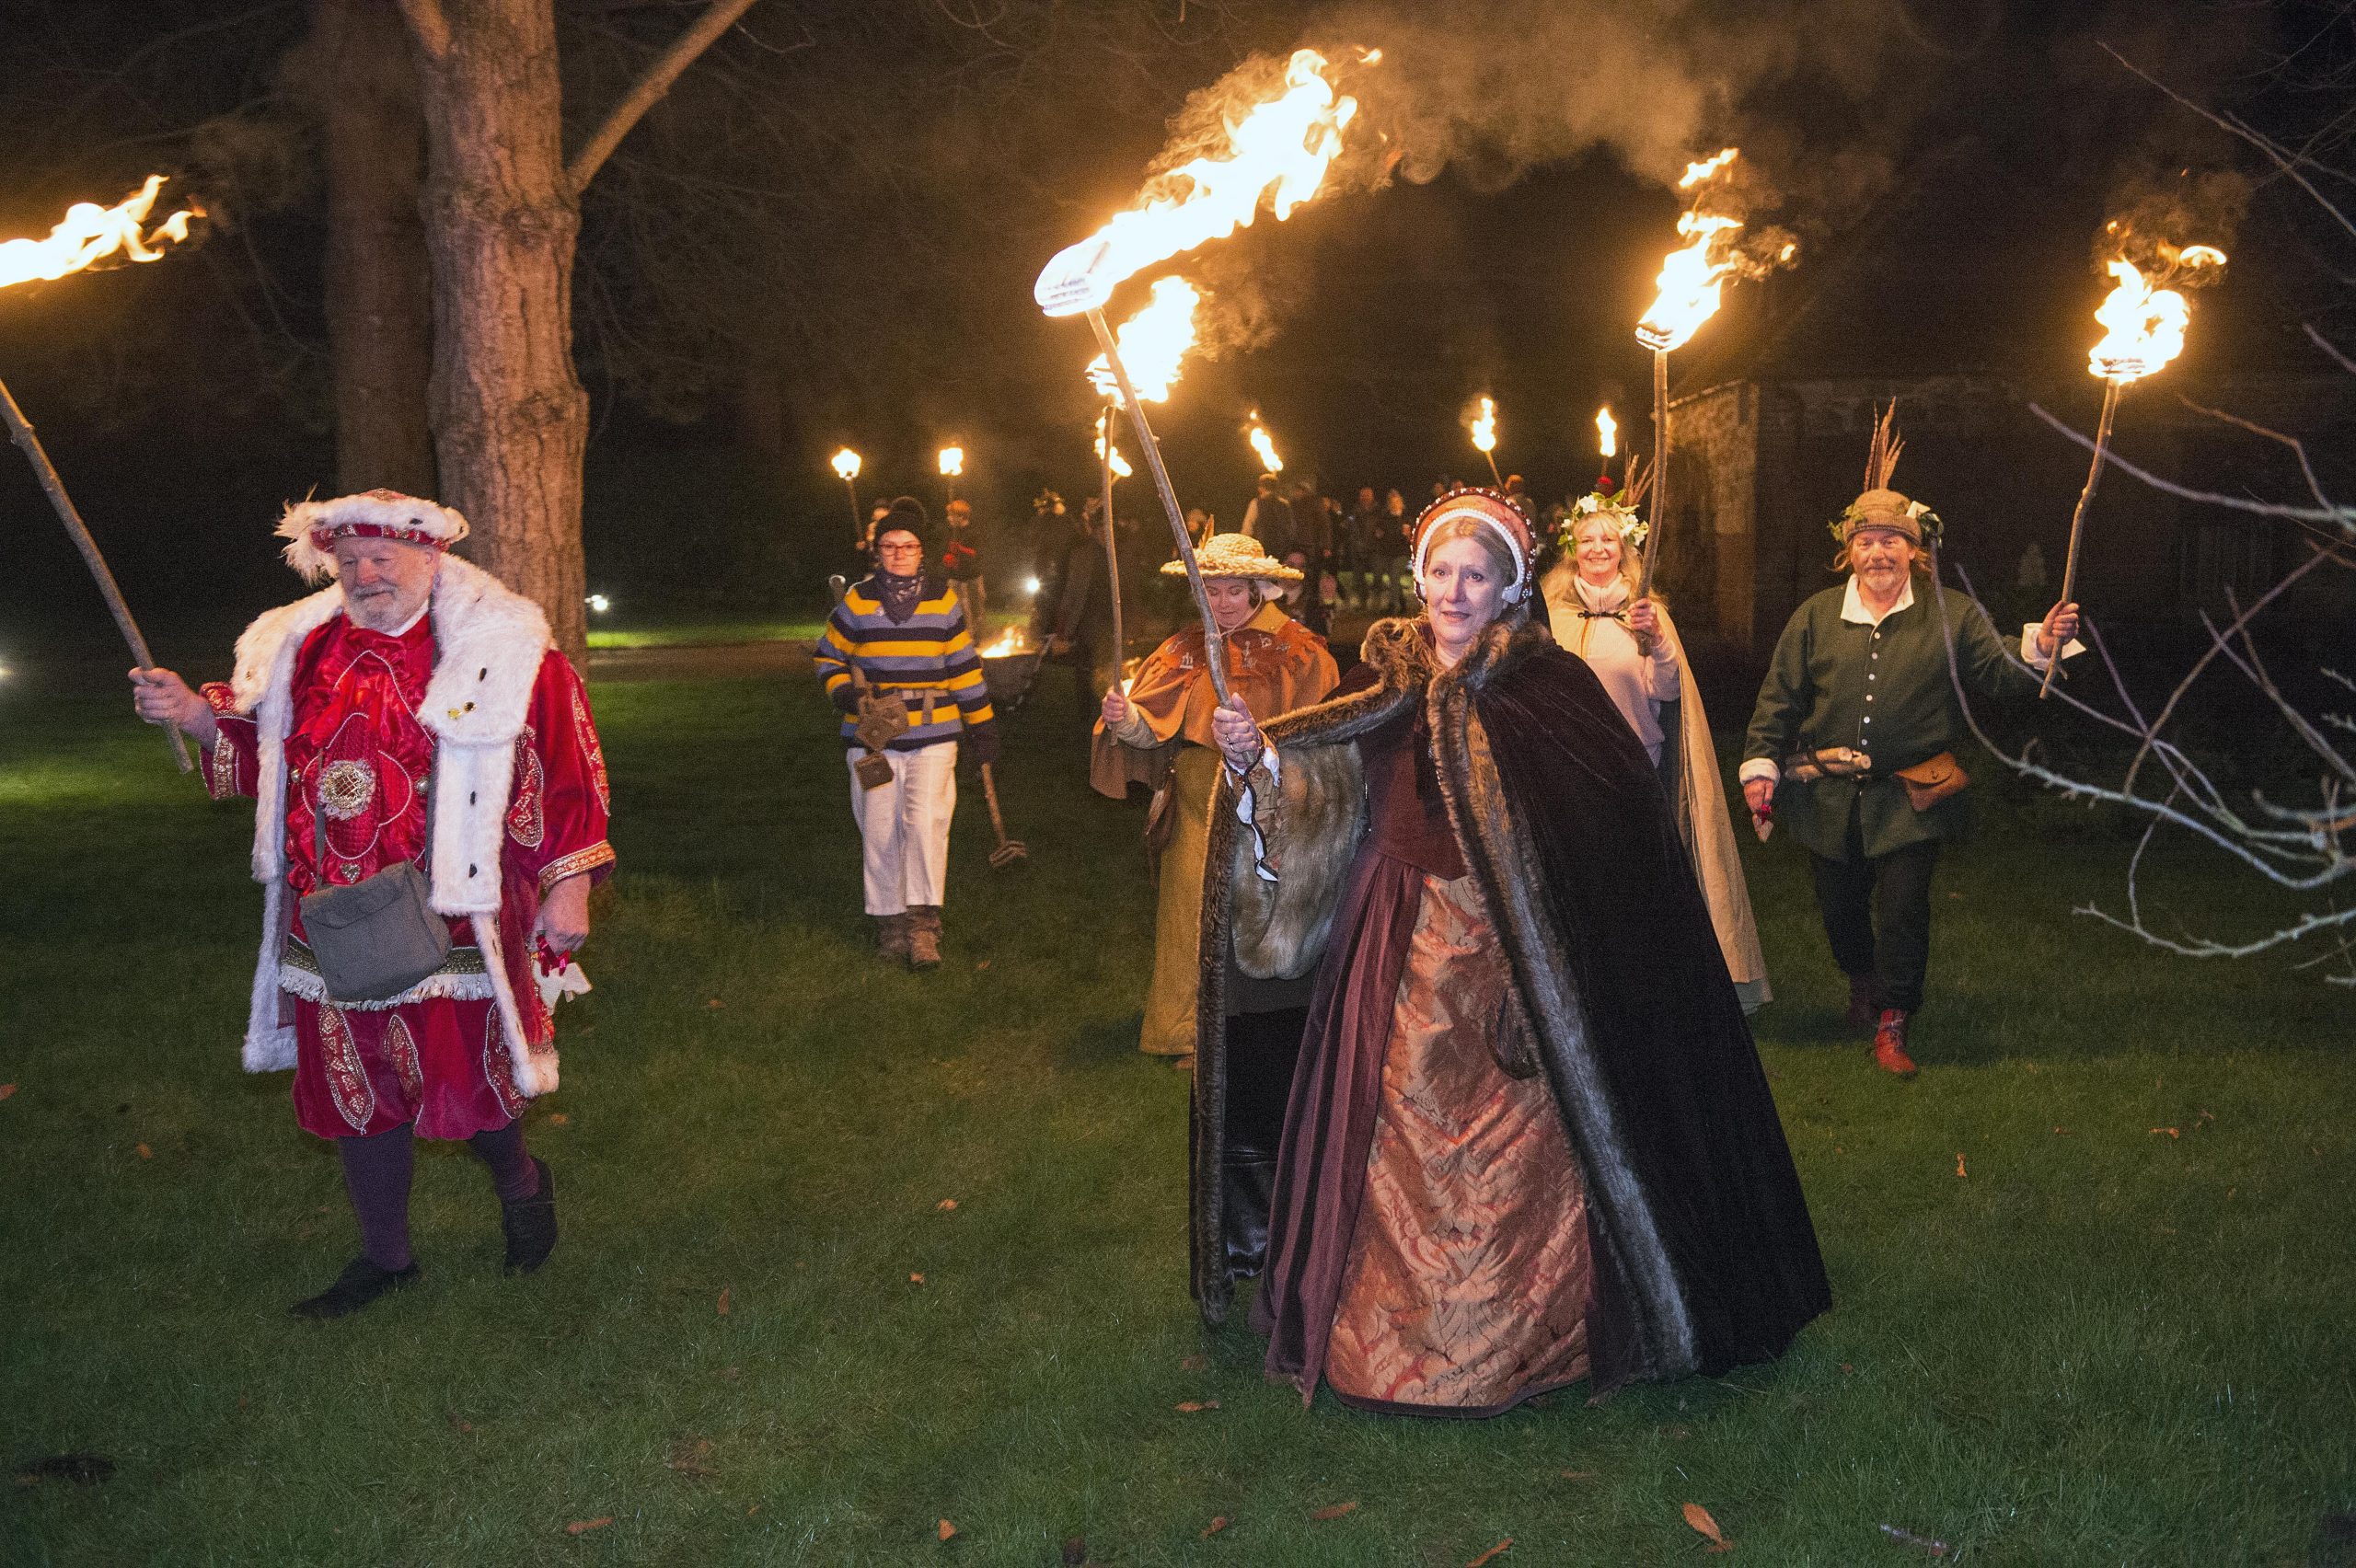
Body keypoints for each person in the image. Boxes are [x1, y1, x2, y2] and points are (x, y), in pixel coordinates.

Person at [1195, 488, 1830, 1415]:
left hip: (1514, 955)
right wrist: (1254, 757)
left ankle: (1534, 1335)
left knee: (1531, 1137)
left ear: (1509, 589)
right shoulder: (1380, 685)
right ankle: (1387, 1334)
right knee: (1393, 1120)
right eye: (1441, 574)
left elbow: (1610, 821)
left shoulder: (1549, 690)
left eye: (1476, 577)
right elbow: (1317, 796)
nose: (1455, 593)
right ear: (1419, 581)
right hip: (1394, 941)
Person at [127, 490, 613, 1319]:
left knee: (476, 1088)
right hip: (335, 910)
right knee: (358, 1090)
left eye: (384, 558)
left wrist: (569, 886)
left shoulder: (505, 651)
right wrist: (194, 717)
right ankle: (387, 1260)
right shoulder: (301, 652)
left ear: (431, 559)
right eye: (349, 561)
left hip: (455, 906)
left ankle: (523, 1182)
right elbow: (263, 761)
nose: (366, 573)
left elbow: (568, 769)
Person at [1740, 407, 2080, 1076]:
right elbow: (1779, 698)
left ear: (1914, 550)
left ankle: (1894, 1018)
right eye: (1866, 542)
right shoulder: (1814, 616)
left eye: (1892, 541)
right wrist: (1761, 766)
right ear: (1850, 551)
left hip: (1911, 797)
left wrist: (2042, 642)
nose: (1879, 552)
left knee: (1903, 910)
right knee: (1841, 913)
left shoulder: (1949, 612)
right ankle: (1860, 980)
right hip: (1829, 796)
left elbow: (1996, 665)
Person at [1096, 534, 1338, 1056]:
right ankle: (1184, 1030)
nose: (1222, 602)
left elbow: (1320, 738)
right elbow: (1154, 726)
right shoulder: (1185, 647)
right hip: (1195, 796)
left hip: (1267, 797)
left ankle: (1256, 1032)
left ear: (1258, 591)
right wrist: (1128, 717)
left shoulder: (1299, 651)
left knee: (1256, 910)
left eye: (1233, 591)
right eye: (1210, 590)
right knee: (1188, 909)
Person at [1541, 478, 1770, 1010]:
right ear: (1572, 550)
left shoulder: (1648, 613)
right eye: (1587, 540)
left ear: (1625, 551)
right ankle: (1583, 988)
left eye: (1609, 541)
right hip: (1568, 770)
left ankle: (1641, 988)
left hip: (1633, 768)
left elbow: (1668, 692)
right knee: (1577, 880)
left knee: (1631, 881)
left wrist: (1656, 641)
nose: (1598, 549)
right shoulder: (1551, 617)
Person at [815, 496, 999, 969]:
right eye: (889, 546)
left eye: (908, 545)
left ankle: (923, 926)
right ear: (877, 552)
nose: (898, 554)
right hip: (872, 737)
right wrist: (848, 696)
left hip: (934, 735)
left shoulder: (943, 601)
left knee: (924, 825)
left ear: (923, 551)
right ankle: (889, 922)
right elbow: (828, 657)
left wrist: (982, 726)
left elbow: (963, 669)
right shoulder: (857, 600)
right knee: (878, 828)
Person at [1032, 496, 1118, 731]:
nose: (1103, 534)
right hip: (1086, 623)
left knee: (1108, 671)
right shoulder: (1082, 553)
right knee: (1085, 671)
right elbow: (1072, 592)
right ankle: (1088, 719)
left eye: (1107, 529)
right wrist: (1063, 629)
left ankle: (1109, 719)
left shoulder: (1117, 555)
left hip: (1110, 623)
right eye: (1100, 529)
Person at [941, 497, 987, 635]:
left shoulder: (974, 532)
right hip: (955, 577)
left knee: (975, 609)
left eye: (951, 515)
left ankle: (977, 638)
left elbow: (976, 554)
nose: (948, 518)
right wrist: (948, 558)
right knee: (958, 608)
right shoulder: (951, 532)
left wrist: (960, 549)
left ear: (961, 517)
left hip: (972, 577)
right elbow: (947, 552)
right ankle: (962, 637)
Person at [1240, 473, 1295, 559]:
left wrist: (1243, 544)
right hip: (1281, 548)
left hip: (1261, 547)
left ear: (1261, 488)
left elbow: (1248, 527)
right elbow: (1291, 528)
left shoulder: (1256, 503)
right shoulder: (1285, 504)